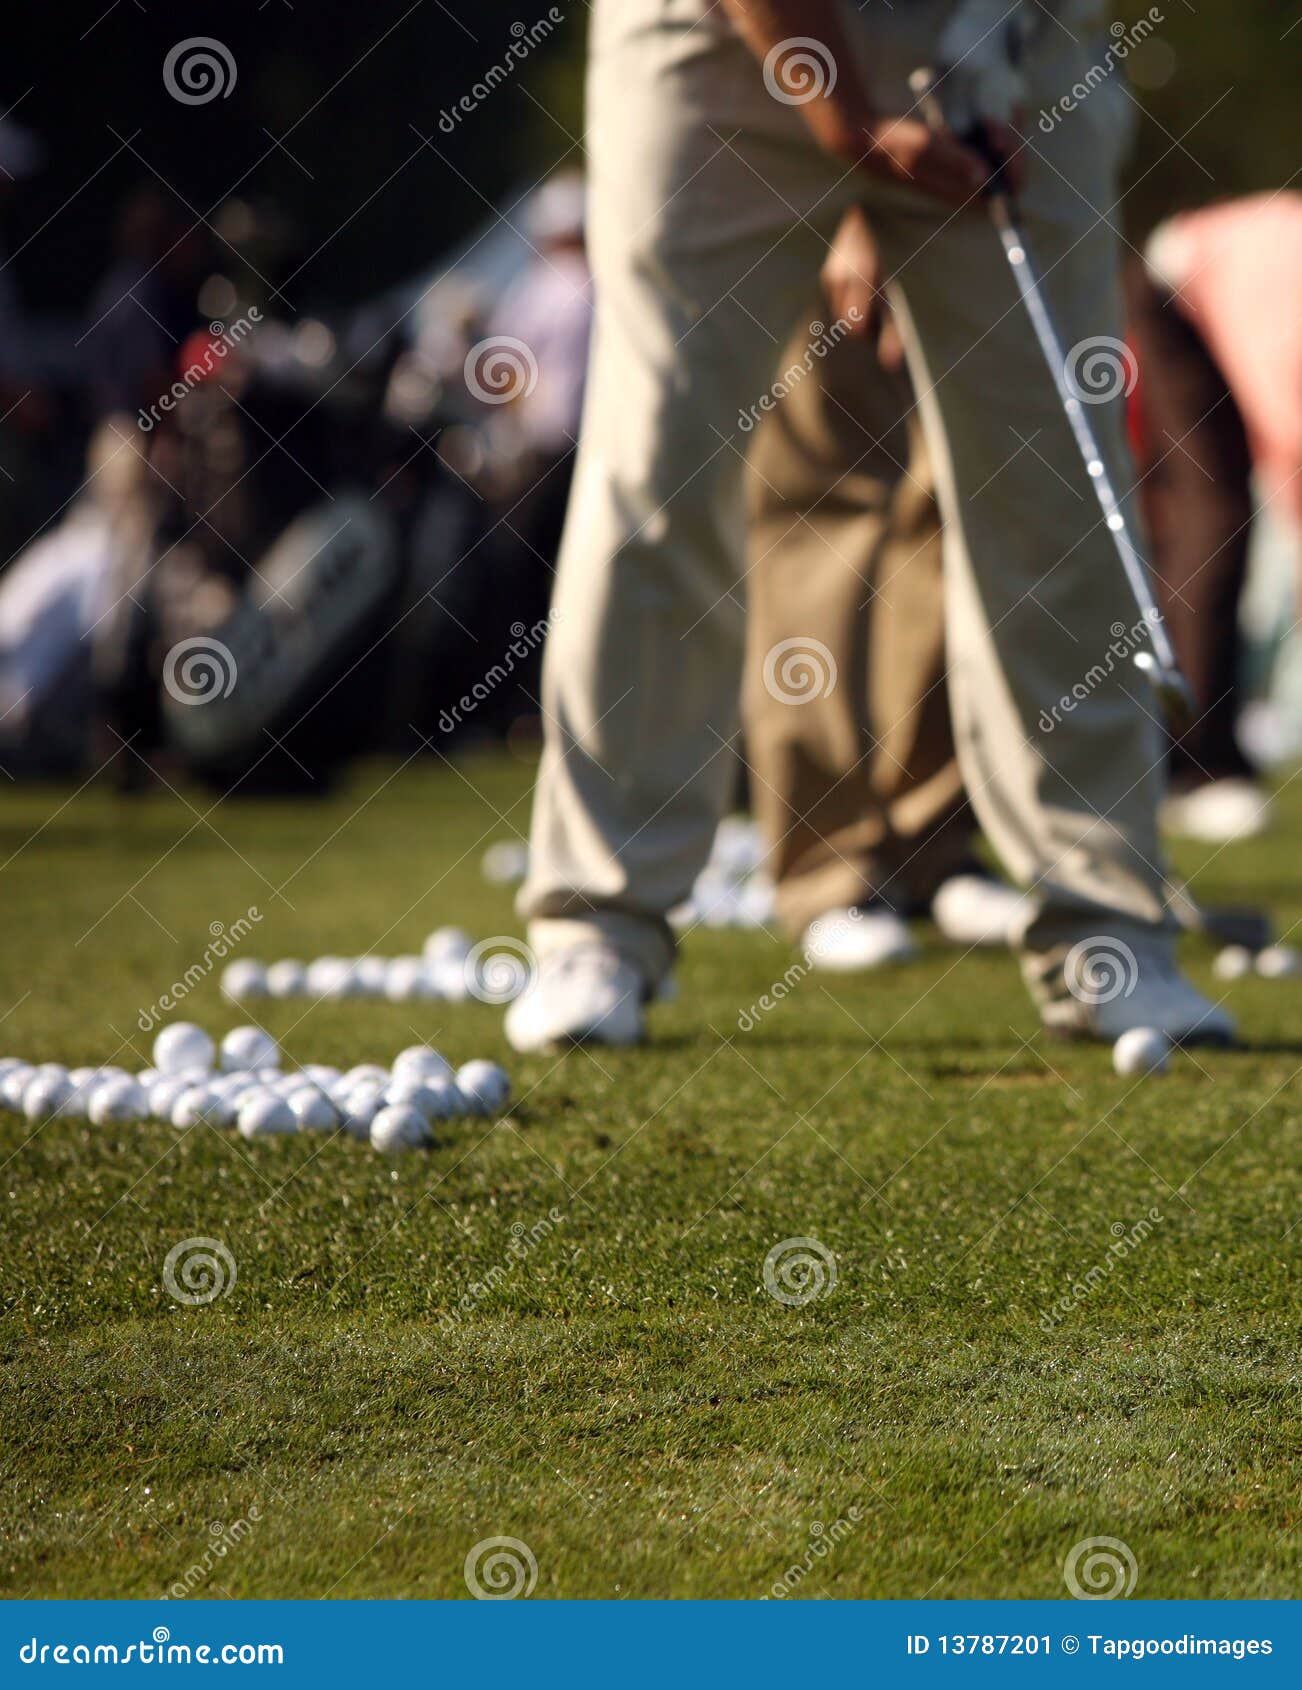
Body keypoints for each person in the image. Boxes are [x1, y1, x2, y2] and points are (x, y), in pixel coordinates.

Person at [505, 0, 1233, 1052]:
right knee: (659, 465)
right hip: (722, 46)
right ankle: (598, 923)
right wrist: (841, 112)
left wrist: (994, 33)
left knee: (1058, 488)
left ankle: (1107, 929)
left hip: (1008, 44)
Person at [742, 206, 1026, 968]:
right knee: (821, 507)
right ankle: (827, 869)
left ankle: (932, 846)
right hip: (814, 169)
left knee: (951, 501)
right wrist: (861, 210)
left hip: (961, 193)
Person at [1127, 193, 1302, 843]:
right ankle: (1195, 764)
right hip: (1174, 292)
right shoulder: (1289, 315)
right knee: (1215, 517)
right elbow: (1288, 450)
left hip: (1220, 288)